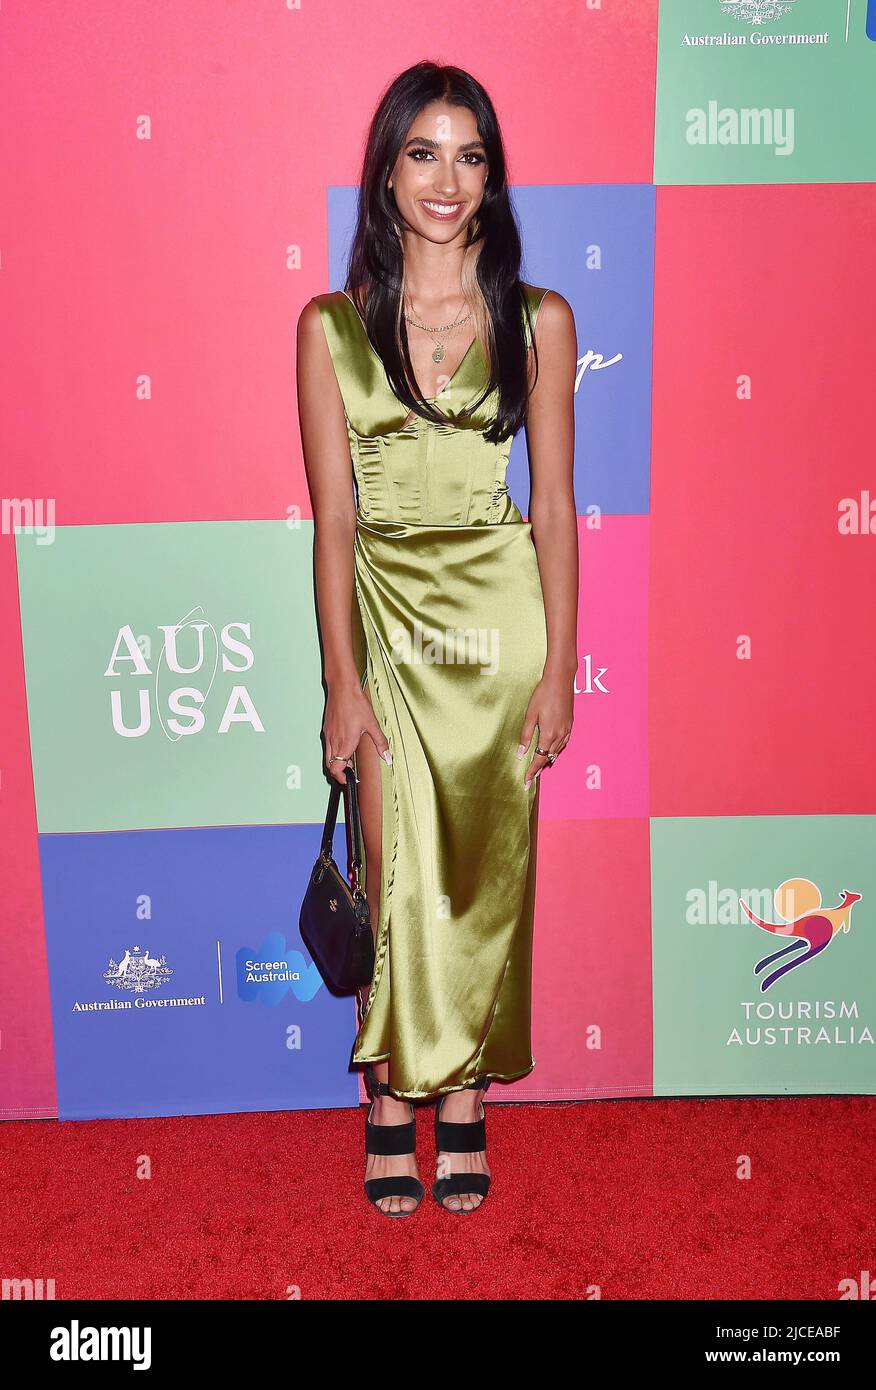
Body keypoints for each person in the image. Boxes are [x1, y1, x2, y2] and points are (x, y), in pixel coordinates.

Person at [297, 61, 578, 1217]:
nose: (447, 180)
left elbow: (553, 507)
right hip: (388, 626)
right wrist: (339, 685)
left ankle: (460, 1098)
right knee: (398, 871)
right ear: (387, 170)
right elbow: (333, 522)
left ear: (491, 176)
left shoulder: (540, 319)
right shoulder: (329, 329)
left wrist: (559, 664)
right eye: (424, 153)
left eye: (469, 156)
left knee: (486, 878)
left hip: (497, 623)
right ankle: (386, 1099)